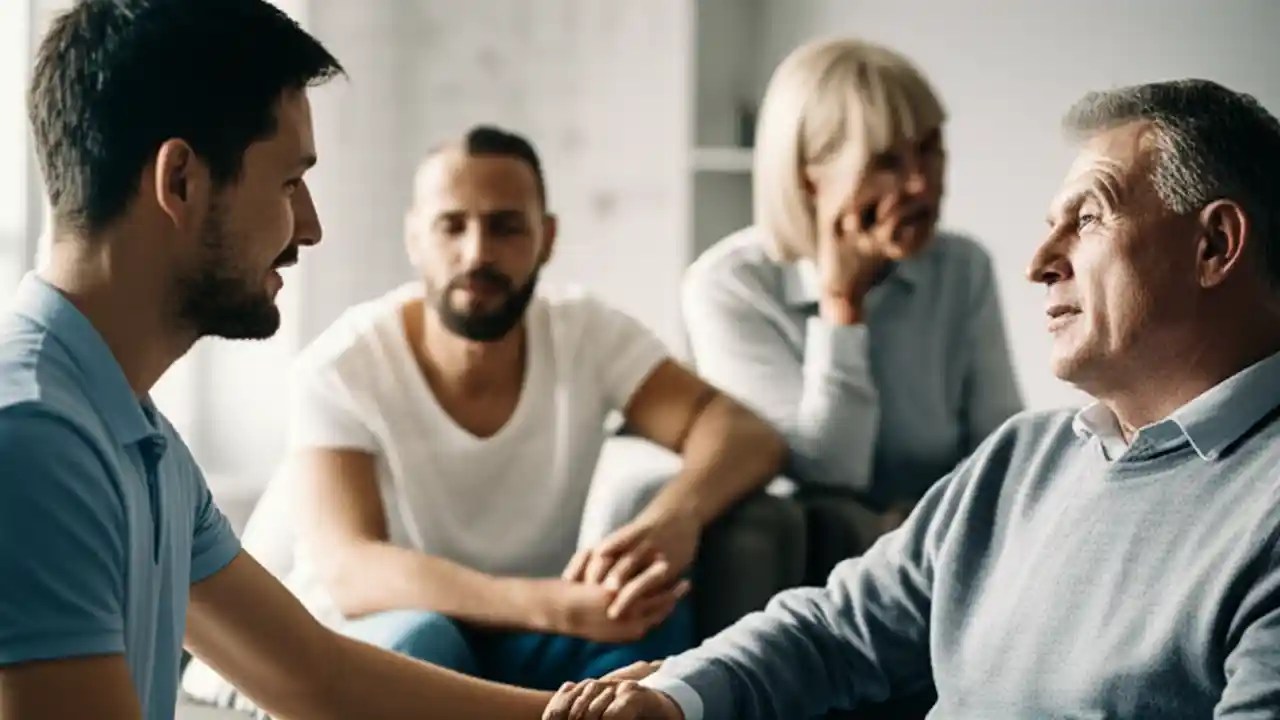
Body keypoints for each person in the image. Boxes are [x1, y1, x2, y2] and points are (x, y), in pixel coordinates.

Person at [542, 78, 1280, 719]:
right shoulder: (1025, 457)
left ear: (1213, 246)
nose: (1039, 264)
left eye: (1086, 220)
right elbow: (836, 627)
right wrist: (679, 697)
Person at [0, 2, 565, 718]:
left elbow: (316, 676)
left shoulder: (136, 437)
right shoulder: (33, 439)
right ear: (180, 182)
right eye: (290, 181)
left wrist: (575, 715)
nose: (311, 226)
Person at [183, 124, 786, 706]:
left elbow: (742, 433)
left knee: (647, 610)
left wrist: (675, 516)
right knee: (427, 637)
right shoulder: (343, 364)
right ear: (415, 238)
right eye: (453, 226)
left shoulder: (585, 334)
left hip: (521, 632)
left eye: (505, 228)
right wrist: (549, 604)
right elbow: (351, 569)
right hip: (366, 635)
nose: (478, 253)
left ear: (546, 238)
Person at [682, 38, 1022, 532]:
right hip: (816, 551)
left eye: (929, 150)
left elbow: (1001, 450)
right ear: (809, 178)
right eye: (887, 162)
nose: (921, 185)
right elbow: (828, 472)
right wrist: (842, 306)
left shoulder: (962, 268)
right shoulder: (729, 287)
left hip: (940, 539)